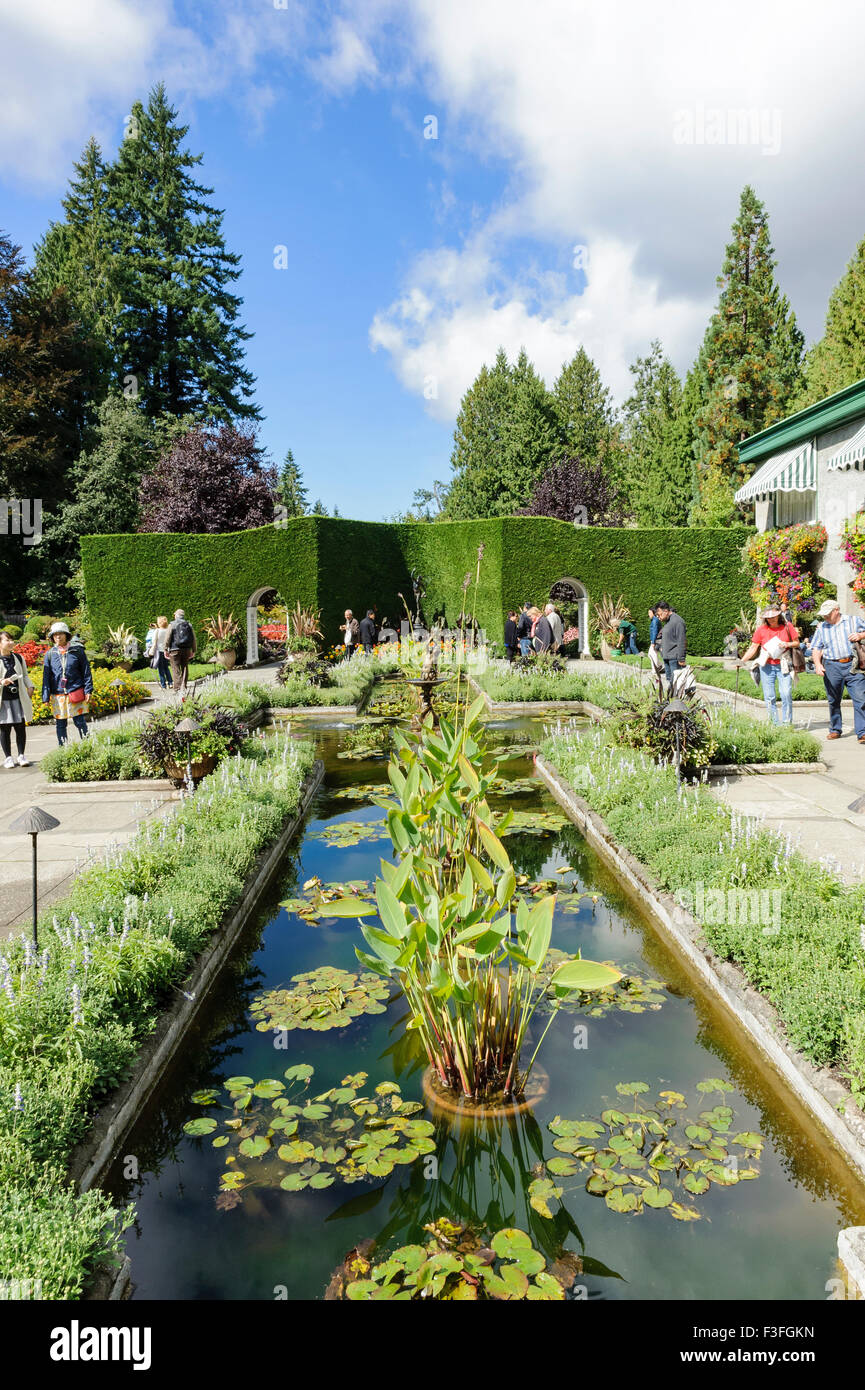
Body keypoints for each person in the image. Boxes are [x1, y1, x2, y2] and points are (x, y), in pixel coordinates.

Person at [810, 599, 865, 742]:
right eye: (824, 615)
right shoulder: (822, 628)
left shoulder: (854, 621)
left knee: (860, 699)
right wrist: (817, 665)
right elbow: (816, 648)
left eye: (828, 614)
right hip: (832, 666)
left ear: (836, 610)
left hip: (853, 664)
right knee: (833, 700)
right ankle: (835, 729)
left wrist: (860, 635)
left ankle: (862, 732)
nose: (825, 617)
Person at [738, 605, 800, 725]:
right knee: (769, 696)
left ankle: (787, 724)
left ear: (778, 616)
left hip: (784, 664)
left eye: (774, 617)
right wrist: (742, 662)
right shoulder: (761, 630)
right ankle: (774, 724)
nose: (771, 619)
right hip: (766, 666)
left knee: (786, 693)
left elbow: (797, 643)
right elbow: (753, 647)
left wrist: (786, 644)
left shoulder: (787, 627)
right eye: (769, 617)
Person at [42, 621, 93, 745]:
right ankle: (63, 749)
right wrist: (45, 697)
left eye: (61, 634)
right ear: (52, 637)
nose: (58, 637)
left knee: (79, 721)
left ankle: (87, 746)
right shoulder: (50, 654)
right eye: (55, 635)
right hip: (58, 694)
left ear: (66, 635)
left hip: (75, 691)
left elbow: (86, 671)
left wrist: (88, 690)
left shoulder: (77, 651)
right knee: (60, 724)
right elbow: (46, 676)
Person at [0, 629, 34, 768]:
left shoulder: (18, 658)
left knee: (20, 727)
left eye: (11, 640)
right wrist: (2, 681)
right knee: (4, 729)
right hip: (3, 700)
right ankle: (8, 757)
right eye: (7, 640)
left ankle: (21, 755)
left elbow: (25, 675)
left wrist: (30, 686)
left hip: (18, 698)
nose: (11, 642)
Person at [164, 609, 196, 694]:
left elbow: (167, 638)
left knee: (175, 669)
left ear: (176, 615)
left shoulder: (172, 624)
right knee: (185, 667)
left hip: (174, 650)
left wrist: (165, 649)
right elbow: (193, 638)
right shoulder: (189, 624)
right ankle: (183, 687)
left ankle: (178, 689)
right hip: (186, 649)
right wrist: (193, 650)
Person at [656, 601, 686, 688]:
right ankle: (670, 700)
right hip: (667, 657)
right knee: (670, 682)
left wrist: (681, 658)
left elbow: (681, 640)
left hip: (674, 659)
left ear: (665, 611)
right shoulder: (668, 622)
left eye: (660, 614)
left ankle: (677, 701)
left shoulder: (678, 621)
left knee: (676, 683)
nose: (659, 617)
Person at [146, 615, 172, 690]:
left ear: (159, 622)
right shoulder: (167, 630)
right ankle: (170, 683)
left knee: (161, 669)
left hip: (159, 652)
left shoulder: (157, 631)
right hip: (166, 651)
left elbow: (154, 641)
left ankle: (163, 685)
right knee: (166, 668)